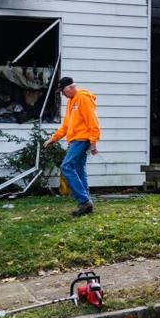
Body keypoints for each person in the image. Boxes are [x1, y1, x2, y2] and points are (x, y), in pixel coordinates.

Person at [46, 77, 100, 216]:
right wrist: (53, 139)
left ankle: (84, 200)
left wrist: (93, 142)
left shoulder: (83, 98)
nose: (62, 95)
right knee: (79, 169)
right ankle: (86, 204)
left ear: (70, 88)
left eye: (63, 92)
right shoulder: (71, 101)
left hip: (82, 140)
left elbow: (92, 121)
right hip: (76, 140)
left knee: (66, 166)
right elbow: (66, 126)